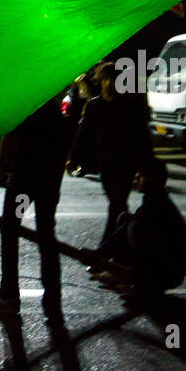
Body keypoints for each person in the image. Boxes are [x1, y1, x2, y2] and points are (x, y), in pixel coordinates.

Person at [0, 97, 73, 323]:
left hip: (24, 180)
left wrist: (2, 169)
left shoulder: (27, 105)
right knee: (46, 237)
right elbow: (63, 153)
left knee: (10, 231)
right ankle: (53, 302)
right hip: (48, 182)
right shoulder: (58, 115)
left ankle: (9, 295)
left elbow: (10, 136)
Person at [68, 60, 151, 252]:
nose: (112, 82)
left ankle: (104, 250)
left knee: (116, 204)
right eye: (108, 79)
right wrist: (73, 158)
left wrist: (146, 164)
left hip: (126, 163)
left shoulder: (129, 105)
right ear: (101, 81)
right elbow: (83, 135)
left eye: (115, 78)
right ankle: (128, 247)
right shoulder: (94, 106)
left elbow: (141, 135)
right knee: (119, 206)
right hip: (105, 163)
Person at [96, 159, 186, 299]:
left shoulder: (157, 207)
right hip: (169, 270)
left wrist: (101, 255)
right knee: (125, 219)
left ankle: (140, 282)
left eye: (140, 175)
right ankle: (123, 273)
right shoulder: (154, 200)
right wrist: (102, 254)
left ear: (153, 179)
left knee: (136, 228)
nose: (136, 178)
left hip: (167, 273)